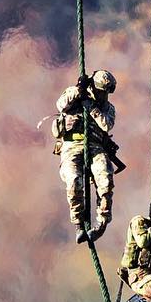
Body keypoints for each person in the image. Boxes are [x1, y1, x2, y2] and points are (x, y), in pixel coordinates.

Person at [51, 69, 124, 242]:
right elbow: (60, 104)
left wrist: (91, 108)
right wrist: (78, 91)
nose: (103, 96)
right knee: (74, 180)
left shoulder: (107, 107)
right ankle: (78, 223)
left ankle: (102, 222)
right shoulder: (74, 94)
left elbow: (106, 125)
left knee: (106, 180)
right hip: (73, 145)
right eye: (101, 91)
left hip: (96, 147)